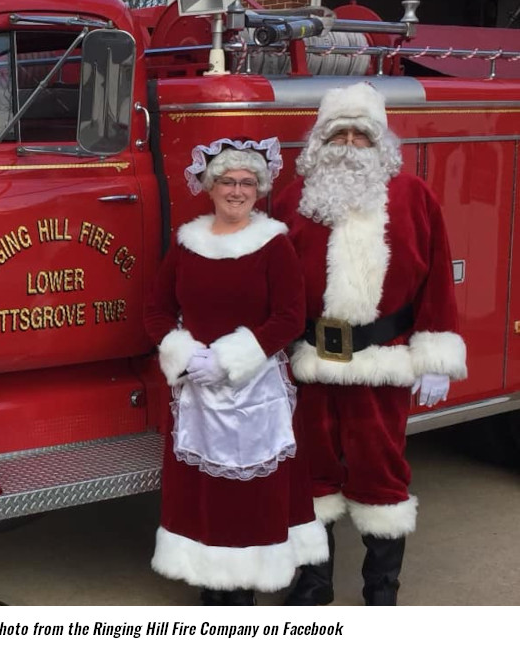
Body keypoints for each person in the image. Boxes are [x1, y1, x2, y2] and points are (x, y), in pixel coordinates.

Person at [273, 82, 467, 606]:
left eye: (361, 134)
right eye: (339, 134)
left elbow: (437, 280)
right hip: (310, 363)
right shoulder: (294, 200)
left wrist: (435, 356)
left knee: (381, 473)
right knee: (311, 475)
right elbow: (275, 283)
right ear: (320, 140)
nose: (350, 144)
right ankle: (313, 584)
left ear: (380, 141)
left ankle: (381, 590)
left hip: (383, 362)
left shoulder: (414, 196)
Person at [145, 137, 328, 606]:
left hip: (257, 388)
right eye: (227, 181)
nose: (237, 190)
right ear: (210, 186)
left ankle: (243, 592)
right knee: (205, 491)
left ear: (259, 189)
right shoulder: (187, 244)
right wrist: (185, 355)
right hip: (198, 391)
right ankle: (213, 585)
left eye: (247, 182)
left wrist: (230, 360)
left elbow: (290, 317)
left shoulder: (274, 244)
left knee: (253, 495)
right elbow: (157, 311)